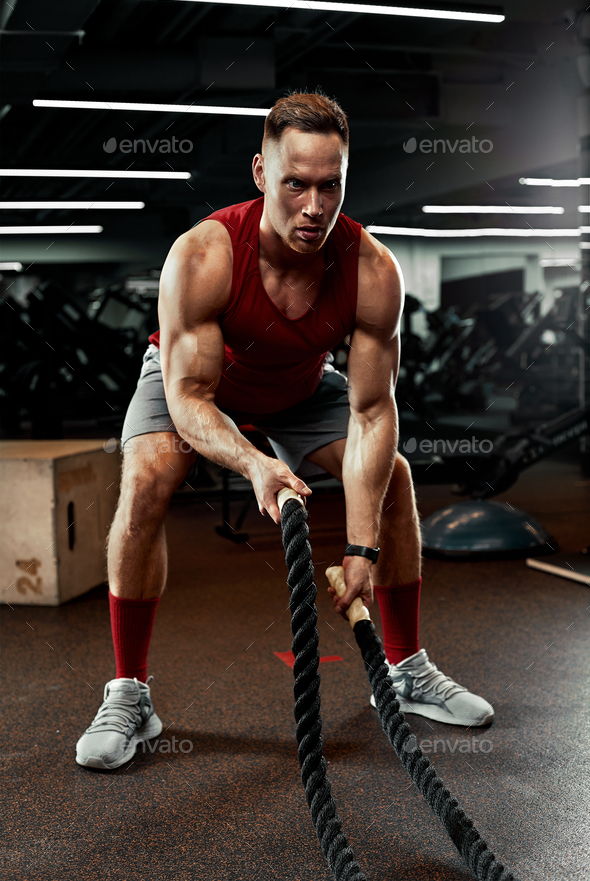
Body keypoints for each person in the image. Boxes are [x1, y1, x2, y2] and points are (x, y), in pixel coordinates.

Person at [76, 91, 493, 771]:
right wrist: (253, 464)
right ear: (261, 173)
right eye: (295, 183)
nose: (314, 206)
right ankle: (129, 692)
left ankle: (407, 668)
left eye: (331, 185)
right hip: (197, 386)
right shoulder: (204, 255)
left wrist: (359, 544)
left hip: (297, 383)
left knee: (397, 480)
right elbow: (188, 395)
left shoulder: (371, 270)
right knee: (148, 478)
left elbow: (372, 412)